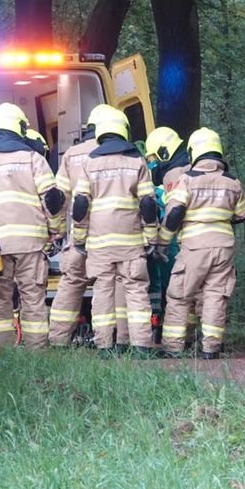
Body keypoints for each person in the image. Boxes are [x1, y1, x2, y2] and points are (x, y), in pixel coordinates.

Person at [0, 102, 63, 350]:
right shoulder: (34, 158)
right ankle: (36, 350)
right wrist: (55, 230)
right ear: (19, 127)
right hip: (30, 242)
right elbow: (51, 200)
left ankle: (2, 350)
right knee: (33, 297)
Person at [71, 107, 158, 355]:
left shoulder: (90, 163)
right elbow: (148, 204)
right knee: (136, 292)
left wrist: (79, 238)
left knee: (102, 294)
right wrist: (151, 237)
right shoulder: (136, 161)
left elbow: (80, 205)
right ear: (124, 131)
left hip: (99, 243)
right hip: (131, 242)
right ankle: (141, 346)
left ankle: (104, 346)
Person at [155, 127, 245, 358]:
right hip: (224, 248)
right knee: (215, 296)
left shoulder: (187, 180)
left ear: (194, 152)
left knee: (180, 295)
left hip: (195, 246)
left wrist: (163, 242)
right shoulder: (232, 182)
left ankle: (173, 347)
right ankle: (210, 349)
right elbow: (242, 213)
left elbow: (175, 212)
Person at [49, 104, 133, 350]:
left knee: (71, 282)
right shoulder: (119, 153)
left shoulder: (71, 154)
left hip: (78, 236)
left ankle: (57, 340)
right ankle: (117, 340)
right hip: (112, 236)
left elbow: (58, 199)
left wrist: (57, 231)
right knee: (115, 284)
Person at [144, 126, 200, 345]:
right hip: (197, 240)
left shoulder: (174, 175)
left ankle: (176, 339)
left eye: (153, 159)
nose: (152, 165)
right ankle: (193, 337)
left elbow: (172, 212)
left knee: (176, 289)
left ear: (164, 154)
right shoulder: (191, 166)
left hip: (179, 240)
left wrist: (162, 242)